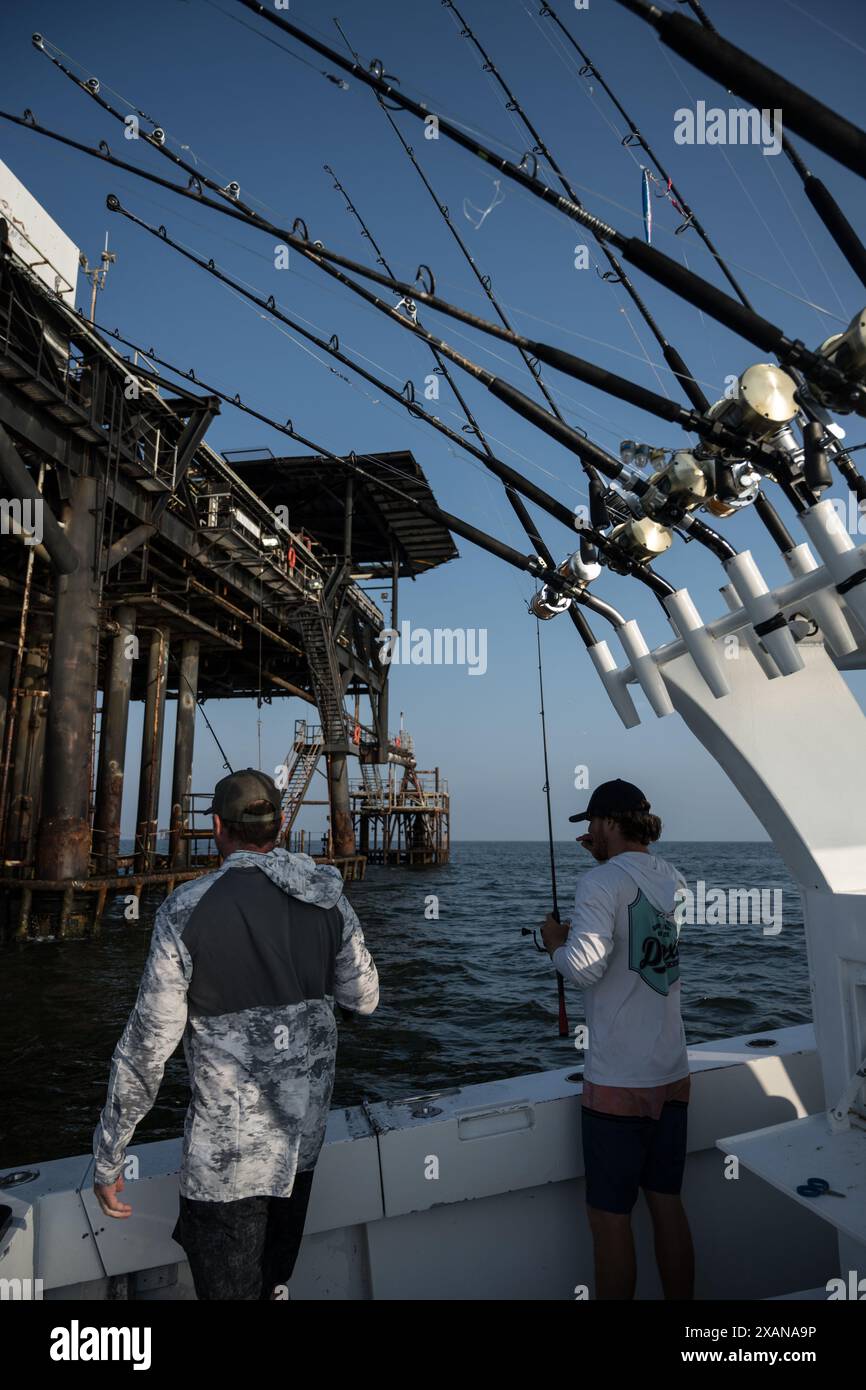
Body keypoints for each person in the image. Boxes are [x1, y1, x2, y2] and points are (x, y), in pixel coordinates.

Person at [92, 768, 379, 1300]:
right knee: (272, 1283)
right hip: (300, 1154)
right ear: (280, 825)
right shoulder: (329, 899)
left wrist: (110, 1155)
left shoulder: (186, 909)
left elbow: (146, 1051)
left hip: (227, 1170)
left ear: (220, 828)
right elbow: (364, 997)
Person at [540, 778, 693, 1301]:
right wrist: (603, 860)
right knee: (667, 1204)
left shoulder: (602, 882)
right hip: (672, 1075)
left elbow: (583, 968)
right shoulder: (671, 877)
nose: (588, 836)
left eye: (591, 826)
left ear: (607, 822)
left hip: (618, 1086)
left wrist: (554, 944)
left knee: (610, 1220)